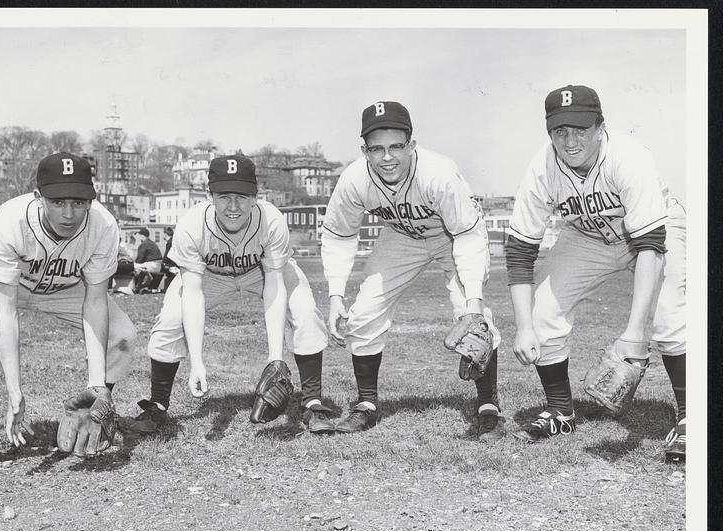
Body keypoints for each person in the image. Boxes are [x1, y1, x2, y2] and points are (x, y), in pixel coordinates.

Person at [505, 84, 687, 461]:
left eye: (581, 129)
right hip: (587, 236)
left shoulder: (629, 157)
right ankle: (560, 410)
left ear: (601, 127)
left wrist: (635, 332)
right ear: (549, 133)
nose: (570, 140)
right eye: (560, 131)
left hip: (656, 229)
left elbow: (650, 245)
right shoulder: (542, 168)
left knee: (671, 317)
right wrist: (523, 325)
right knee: (541, 315)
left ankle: (691, 417)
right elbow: (521, 250)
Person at [0, 153, 138, 481]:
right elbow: (6, 310)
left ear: (91, 200)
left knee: (123, 334)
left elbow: (96, 301)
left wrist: (96, 383)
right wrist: (14, 391)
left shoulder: (103, 225)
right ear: (38, 198)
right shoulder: (10, 220)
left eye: (79, 202)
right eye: (58, 201)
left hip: (64, 285)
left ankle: (90, 408)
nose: (69, 213)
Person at [321, 101, 503, 438]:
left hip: (452, 234)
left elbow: (466, 234)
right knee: (363, 315)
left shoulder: (438, 174)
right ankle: (366, 405)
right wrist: (334, 296)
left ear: (411, 145)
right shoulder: (353, 179)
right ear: (365, 151)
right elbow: (339, 235)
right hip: (401, 235)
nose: (387, 157)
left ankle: (488, 408)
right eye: (377, 149)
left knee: (473, 318)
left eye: (396, 147)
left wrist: (474, 303)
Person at [125, 154, 331, 434]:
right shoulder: (192, 224)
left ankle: (312, 403)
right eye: (224, 196)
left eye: (242, 196)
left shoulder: (270, 220)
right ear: (209, 196)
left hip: (262, 271)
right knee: (171, 318)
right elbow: (193, 295)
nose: (233, 206)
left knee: (305, 310)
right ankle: (158, 406)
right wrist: (197, 363)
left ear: (255, 197)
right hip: (210, 275)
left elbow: (275, 284)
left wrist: (275, 359)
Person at [161, 226, 179, 290]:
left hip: (172, 265)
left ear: (166, 233)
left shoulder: (169, 243)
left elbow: (167, 256)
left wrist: (163, 263)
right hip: (176, 264)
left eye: (163, 233)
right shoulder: (174, 241)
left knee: (160, 268)